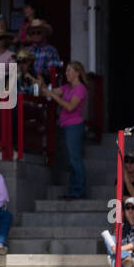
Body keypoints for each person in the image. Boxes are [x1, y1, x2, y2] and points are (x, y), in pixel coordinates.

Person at [43, 61, 89, 202]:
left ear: (77, 73)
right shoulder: (67, 87)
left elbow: (70, 107)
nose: (66, 73)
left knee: (75, 159)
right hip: (65, 125)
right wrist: (38, 81)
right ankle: (73, 190)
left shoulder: (80, 88)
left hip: (74, 126)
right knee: (70, 159)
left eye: (69, 71)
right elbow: (49, 91)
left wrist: (54, 96)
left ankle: (79, 190)